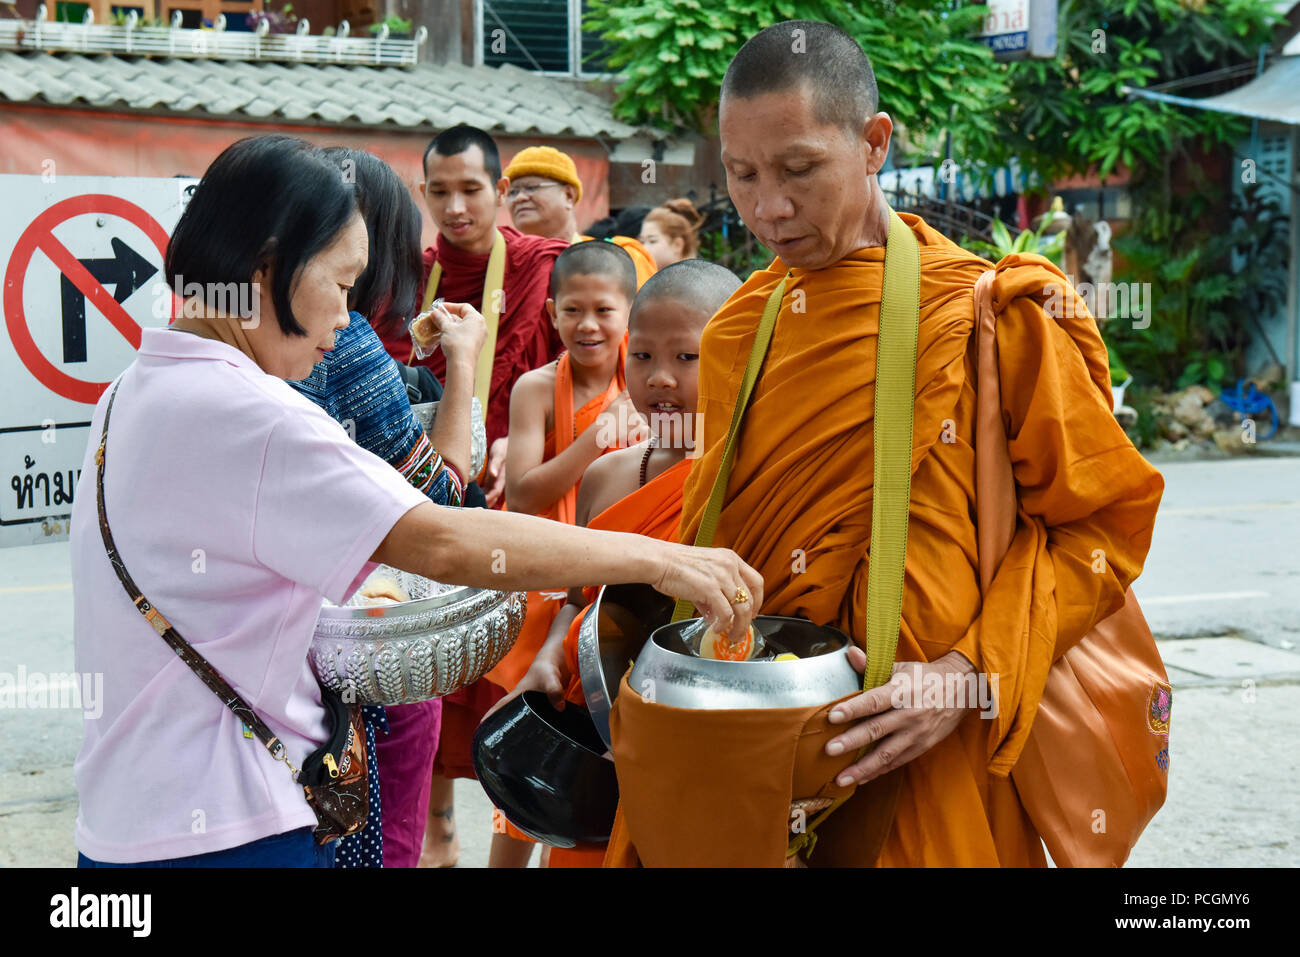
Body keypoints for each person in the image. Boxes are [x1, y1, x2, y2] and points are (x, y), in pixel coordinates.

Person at [69, 134, 762, 868]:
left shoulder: (132, 390)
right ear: (268, 267)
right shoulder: (255, 412)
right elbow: (445, 537)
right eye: (340, 286)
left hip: (122, 824)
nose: (347, 321)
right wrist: (662, 558)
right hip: (228, 826)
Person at [603, 21, 1164, 867]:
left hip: (929, 753)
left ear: (873, 144)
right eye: (744, 175)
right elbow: (718, 549)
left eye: (798, 170)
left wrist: (964, 672)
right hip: (752, 757)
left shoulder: (992, 318)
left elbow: (1100, 530)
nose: (768, 208)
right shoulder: (737, 333)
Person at [499, 259, 741, 867]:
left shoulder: (744, 482)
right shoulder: (609, 473)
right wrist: (550, 654)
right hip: (593, 726)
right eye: (643, 356)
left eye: (687, 357)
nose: (660, 379)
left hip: (690, 740)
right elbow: (582, 597)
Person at [287, 146, 485, 869]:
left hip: (282, 650)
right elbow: (443, 498)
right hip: (363, 647)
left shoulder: (249, 343)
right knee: (381, 842)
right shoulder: (346, 342)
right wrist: (463, 361)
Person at [482, 239, 645, 867]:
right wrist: (591, 444)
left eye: (604, 310)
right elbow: (521, 495)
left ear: (629, 311)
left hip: (604, 589)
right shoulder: (535, 388)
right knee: (527, 753)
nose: (588, 325)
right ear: (551, 314)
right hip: (542, 587)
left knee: (585, 760)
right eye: (572, 310)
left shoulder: (649, 387)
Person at [374, 125, 568, 508]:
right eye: (440, 192)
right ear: (423, 192)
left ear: (500, 190)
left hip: (520, 474)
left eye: (471, 190)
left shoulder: (543, 266)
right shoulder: (406, 277)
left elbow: (584, 369)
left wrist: (529, 434)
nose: (454, 208)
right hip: (421, 485)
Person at [503, 145, 658, 287]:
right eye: (512, 192)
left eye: (531, 187)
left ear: (569, 195)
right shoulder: (503, 266)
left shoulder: (620, 257)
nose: (520, 198)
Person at [638, 199, 704, 271]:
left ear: (677, 245)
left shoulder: (701, 279)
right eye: (642, 242)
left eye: (652, 241)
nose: (644, 248)